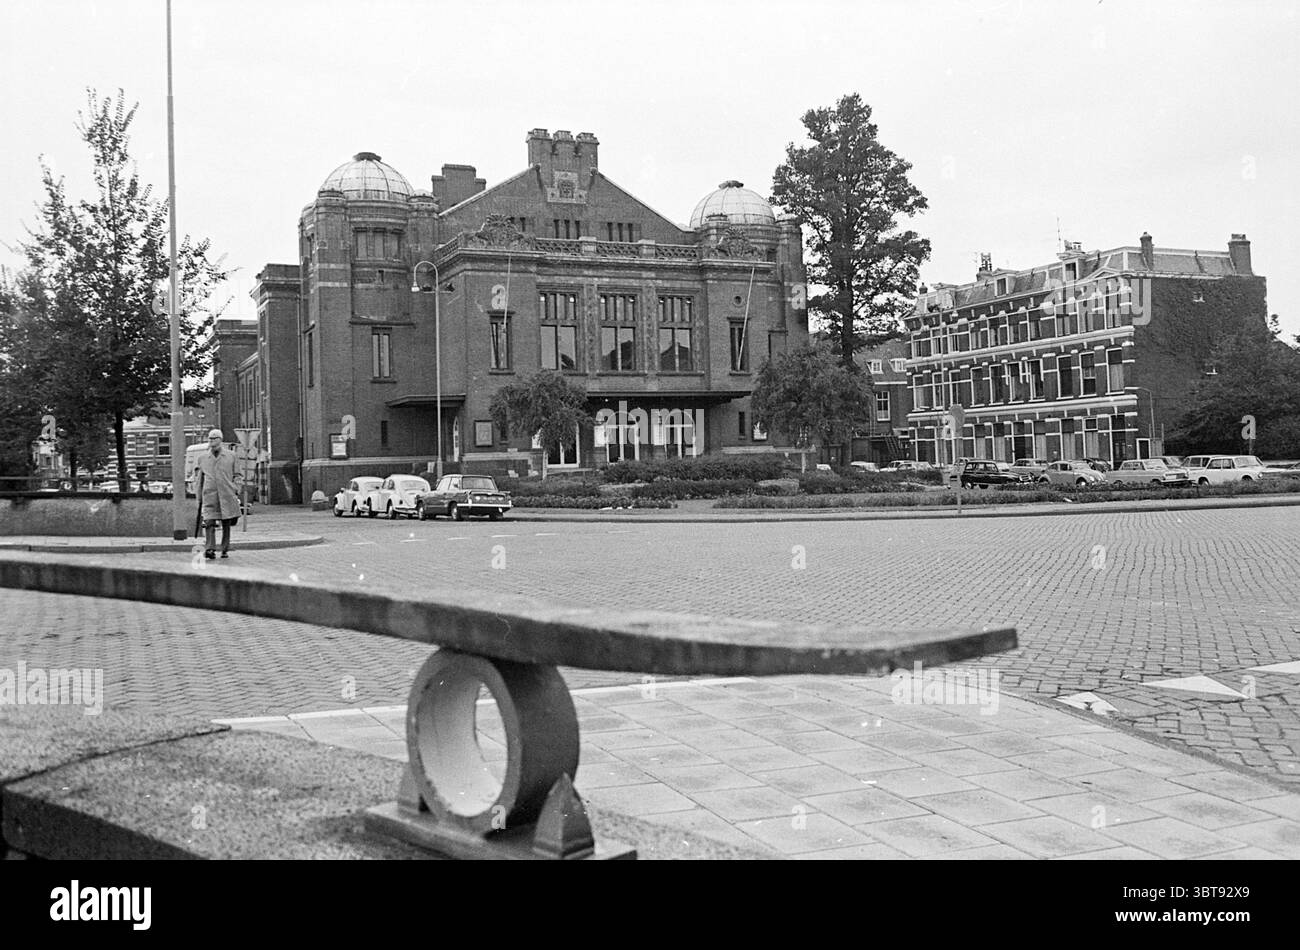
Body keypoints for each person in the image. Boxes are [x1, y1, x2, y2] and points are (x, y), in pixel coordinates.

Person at [196, 428, 243, 559]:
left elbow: (238, 475)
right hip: (210, 495)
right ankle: (210, 548)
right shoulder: (203, 458)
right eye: (210, 438)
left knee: (226, 523)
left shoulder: (231, 456)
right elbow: (199, 479)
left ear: (220, 440)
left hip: (227, 494)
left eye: (214, 438)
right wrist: (199, 496)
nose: (211, 441)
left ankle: (224, 548)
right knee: (209, 522)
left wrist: (236, 489)